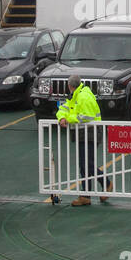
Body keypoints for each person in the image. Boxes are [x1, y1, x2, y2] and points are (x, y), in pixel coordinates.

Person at [55, 73, 112, 206]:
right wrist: (61, 117)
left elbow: (85, 116)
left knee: (88, 164)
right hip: (84, 133)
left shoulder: (83, 96)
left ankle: (107, 184)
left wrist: (68, 119)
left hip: (90, 133)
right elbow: (63, 108)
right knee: (84, 165)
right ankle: (86, 195)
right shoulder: (76, 96)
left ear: (69, 86)